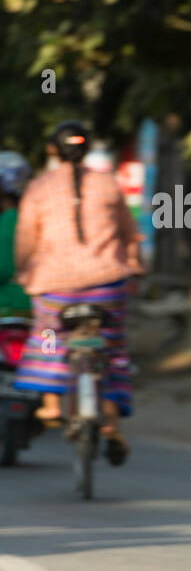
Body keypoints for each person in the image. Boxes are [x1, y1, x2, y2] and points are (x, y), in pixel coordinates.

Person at [12, 121, 143, 465]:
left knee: (49, 336)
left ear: (53, 150)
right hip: (106, 287)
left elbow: (26, 241)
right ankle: (111, 426)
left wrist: (24, 271)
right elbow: (131, 236)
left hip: (55, 289)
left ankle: (52, 405)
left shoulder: (38, 189)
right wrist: (134, 267)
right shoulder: (108, 185)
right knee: (112, 353)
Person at [0, 151, 33, 315]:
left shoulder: (9, 219)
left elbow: (3, 268)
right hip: (39, 306)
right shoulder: (37, 217)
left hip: (8, 307)